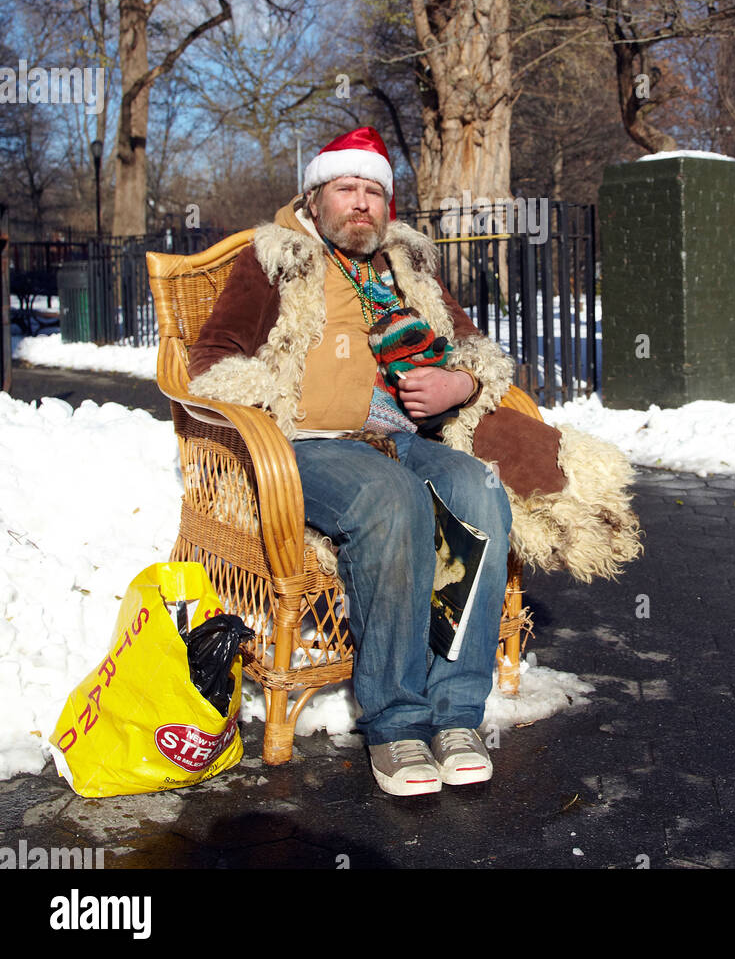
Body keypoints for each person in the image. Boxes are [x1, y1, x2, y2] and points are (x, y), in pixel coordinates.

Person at [187, 126, 640, 797]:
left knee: (478, 490)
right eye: (347, 188)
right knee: (391, 498)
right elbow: (210, 361)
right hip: (308, 446)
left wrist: (461, 384)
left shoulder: (405, 265)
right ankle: (395, 721)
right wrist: (276, 402)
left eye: (375, 190)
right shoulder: (274, 257)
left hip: (401, 436)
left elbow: (471, 348)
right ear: (315, 197)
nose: (362, 203)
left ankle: (456, 711)